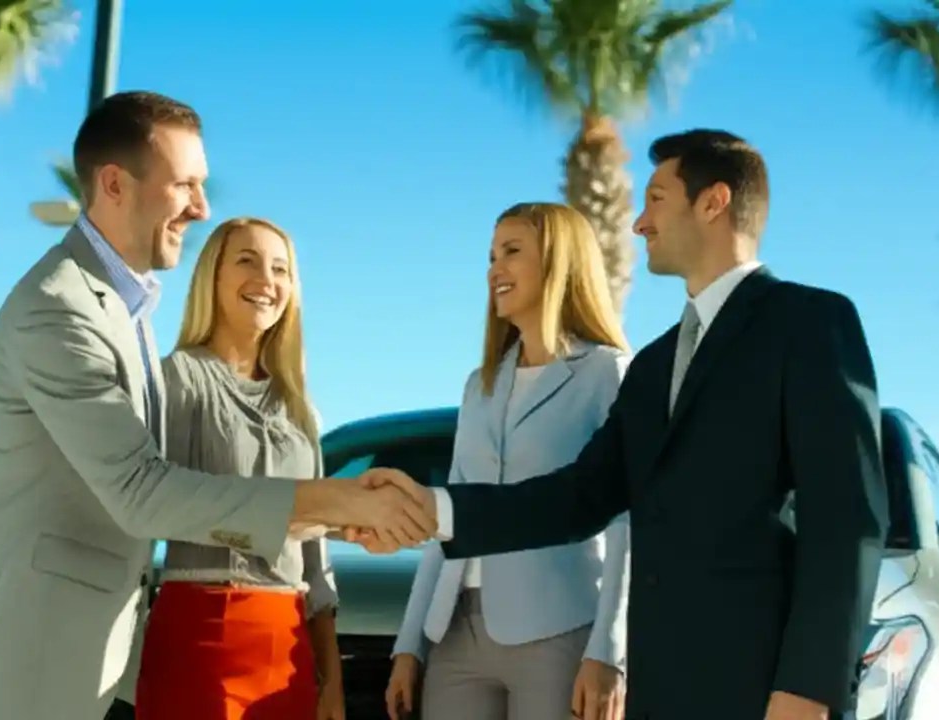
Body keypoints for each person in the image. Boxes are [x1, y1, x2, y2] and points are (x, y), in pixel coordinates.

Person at [0, 91, 432, 720]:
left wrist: (338, 521)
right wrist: (337, 502)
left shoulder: (126, 310)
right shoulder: (58, 310)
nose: (202, 206)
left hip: (94, 668)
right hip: (25, 672)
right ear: (114, 183)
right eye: (185, 184)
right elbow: (144, 492)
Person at [359, 130, 889, 720]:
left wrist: (808, 689)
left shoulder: (810, 323)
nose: (639, 223)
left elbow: (846, 523)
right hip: (660, 688)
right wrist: (432, 512)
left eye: (657, 199)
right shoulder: (655, 364)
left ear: (713, 202)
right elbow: (578, 497)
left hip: (763, 689)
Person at [384, 203, 631, 720]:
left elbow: (627, 525)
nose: (495, 268)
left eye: (512, 252)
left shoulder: (607, 373)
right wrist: (409, 644)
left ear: (560, 261)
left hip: (559, 630)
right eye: (491, 256)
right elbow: (448, 515)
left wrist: (609, 652)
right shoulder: (481, 384)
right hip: (454, 633)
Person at [134, 217, 344, 720]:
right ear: (214, 276)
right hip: (200, 633)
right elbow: (146, 503)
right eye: (246, 261)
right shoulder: (177, 380)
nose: (266, 281)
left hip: (289, 648)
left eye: (280, 269)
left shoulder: (301, 410)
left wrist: (332, 678)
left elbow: (315, 564)